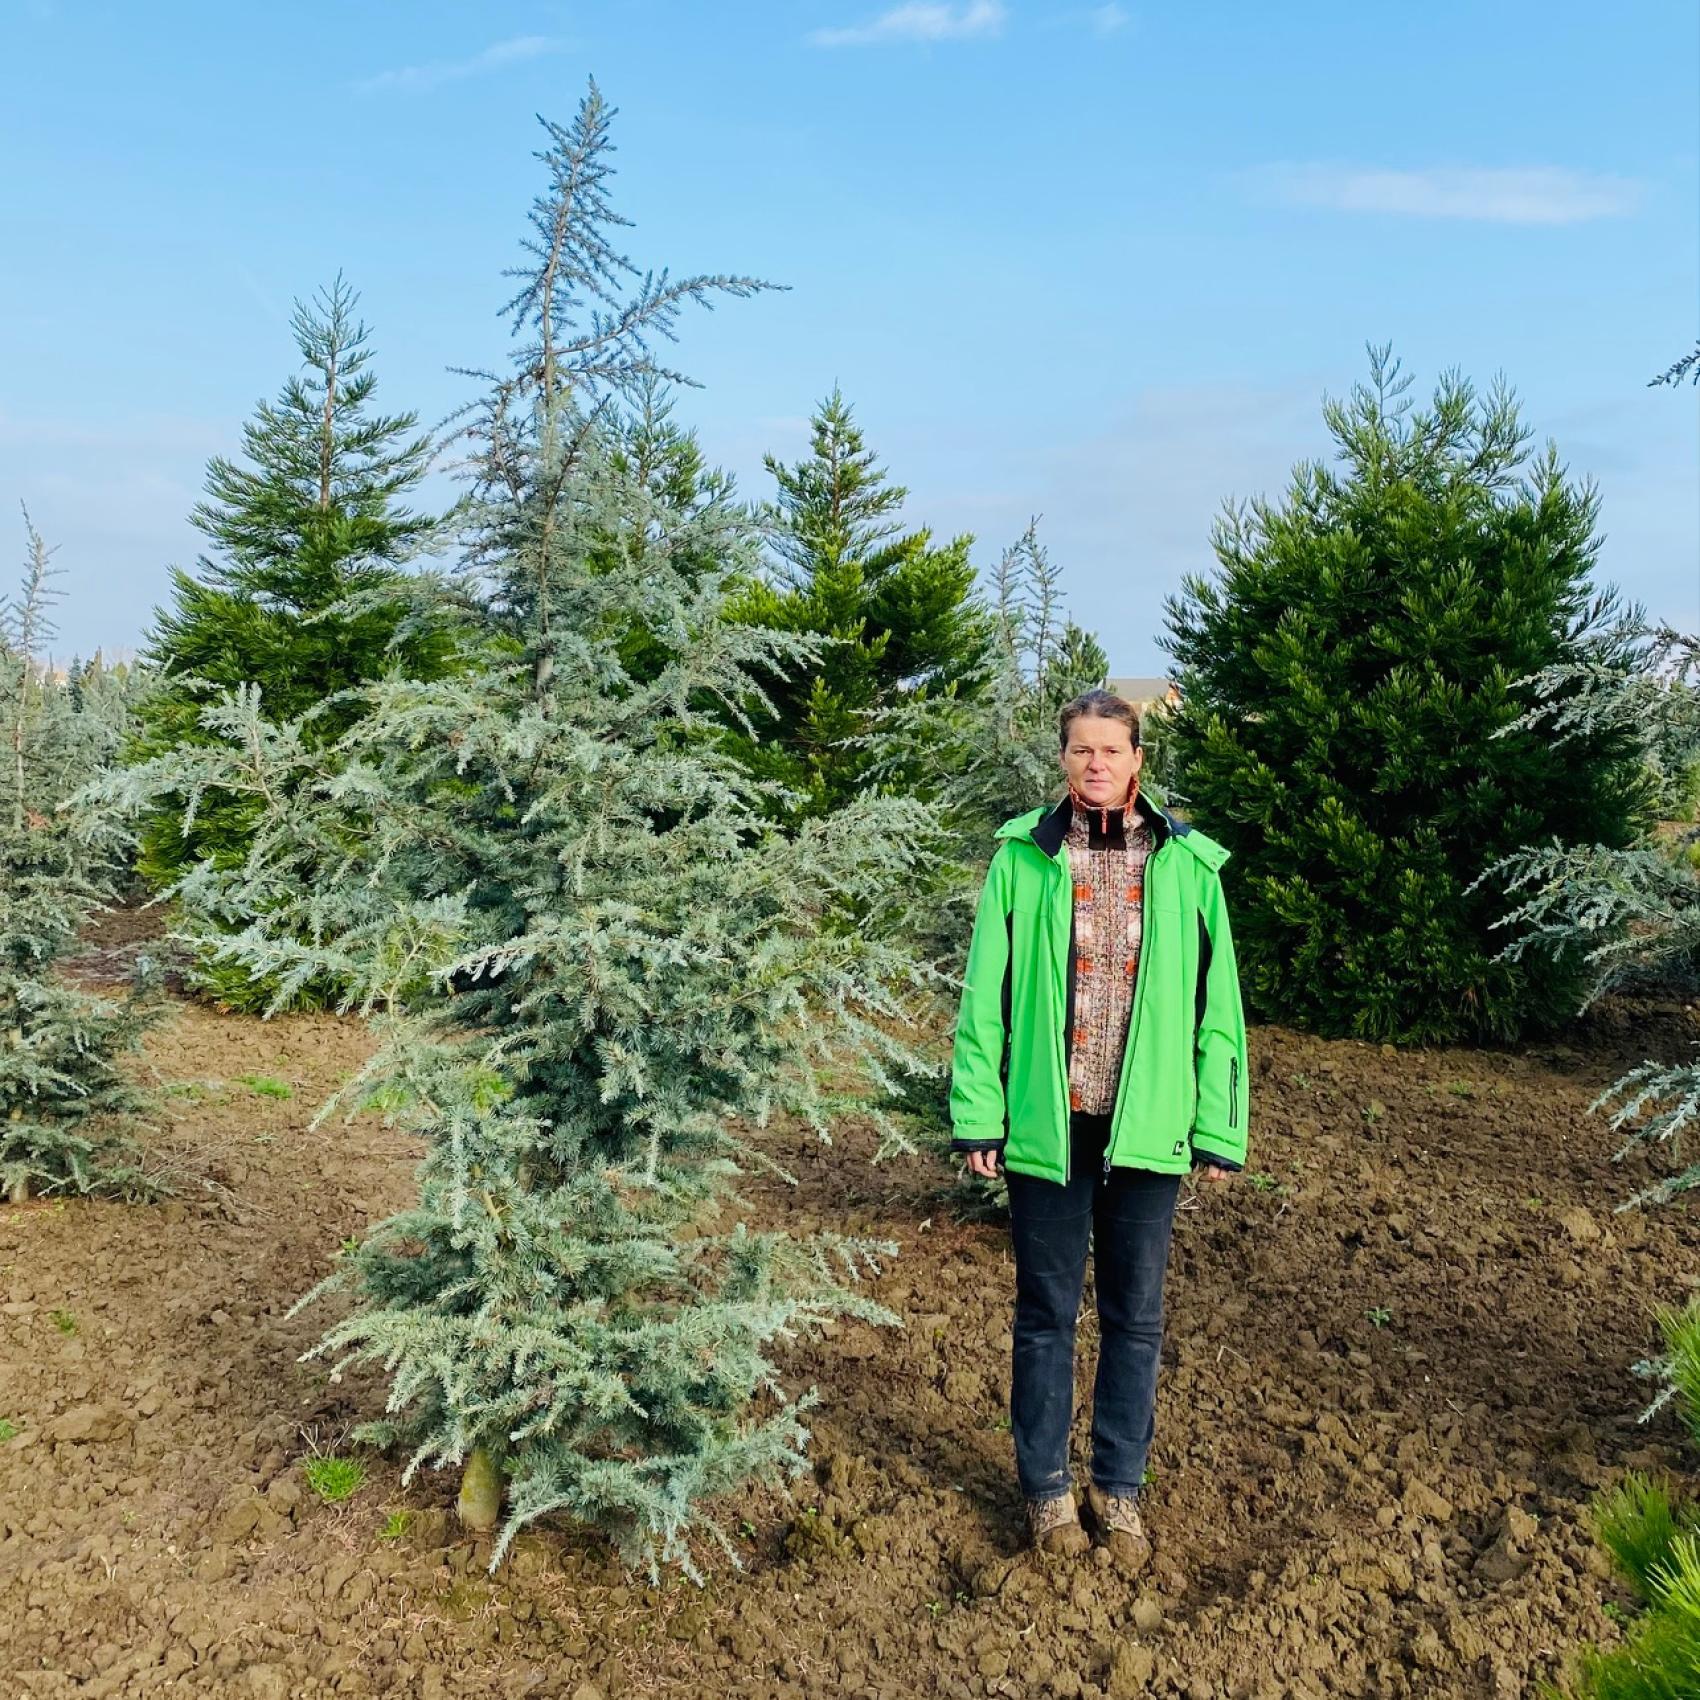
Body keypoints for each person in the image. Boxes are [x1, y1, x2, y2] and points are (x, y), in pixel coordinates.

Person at [948, 687, 1249, 1566]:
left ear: (1137, 761)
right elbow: (985, 998)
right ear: (1065, 759)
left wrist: (1219, 1128)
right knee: (1044, 1313)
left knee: (1136, 1317)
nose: (1096, 764)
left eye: (1111, 750)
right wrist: (981, 1110)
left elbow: (1217, 1007)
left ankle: (1118, 1491)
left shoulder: (1189, 868)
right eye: (1080, 749)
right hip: (1052, 1127)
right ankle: (1045, 1493)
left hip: (1149, 1128)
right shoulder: (1023, 859)